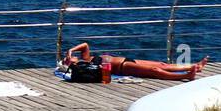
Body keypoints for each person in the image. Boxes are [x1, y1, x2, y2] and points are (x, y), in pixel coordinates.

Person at [61, 42, 208, 82]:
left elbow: (85, 45)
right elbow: (102, 74)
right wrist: (70, 64)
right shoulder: (81, 66)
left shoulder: (85, 57)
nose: (70, 58)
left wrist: (70, 51)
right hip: (122, 67)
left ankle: (194, 66)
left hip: (126, 60)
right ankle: (185, 76)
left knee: (161, 64)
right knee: (154, 72)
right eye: (68, 60)